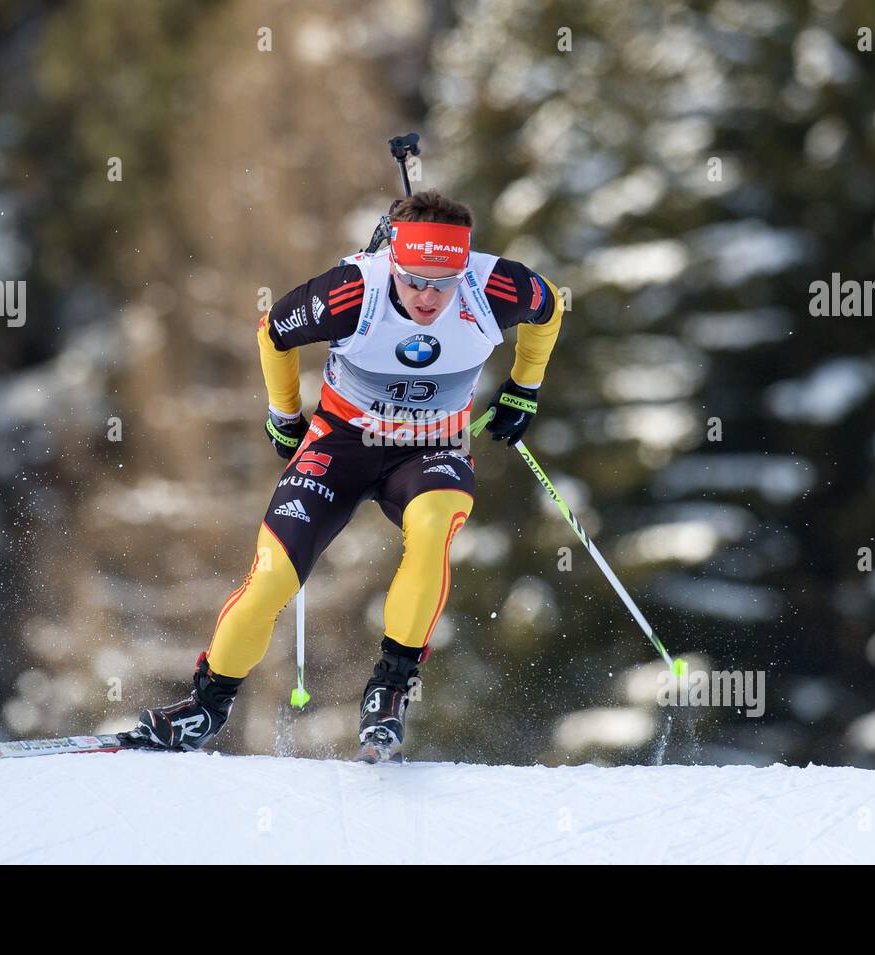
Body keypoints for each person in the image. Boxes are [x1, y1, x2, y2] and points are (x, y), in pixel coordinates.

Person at [137, 190, 564, 759]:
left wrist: (525, 387)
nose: (428, 296)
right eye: (414, 279)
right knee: (273, 578)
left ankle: (389, 687)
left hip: (431, 447)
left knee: (434, 526)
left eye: (444, 282)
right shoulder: (352, 291)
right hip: (339, 446)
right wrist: (284, 415)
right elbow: (273, 333)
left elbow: (549, 309)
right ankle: (206, 705)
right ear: (393, 260)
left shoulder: (495, 287)